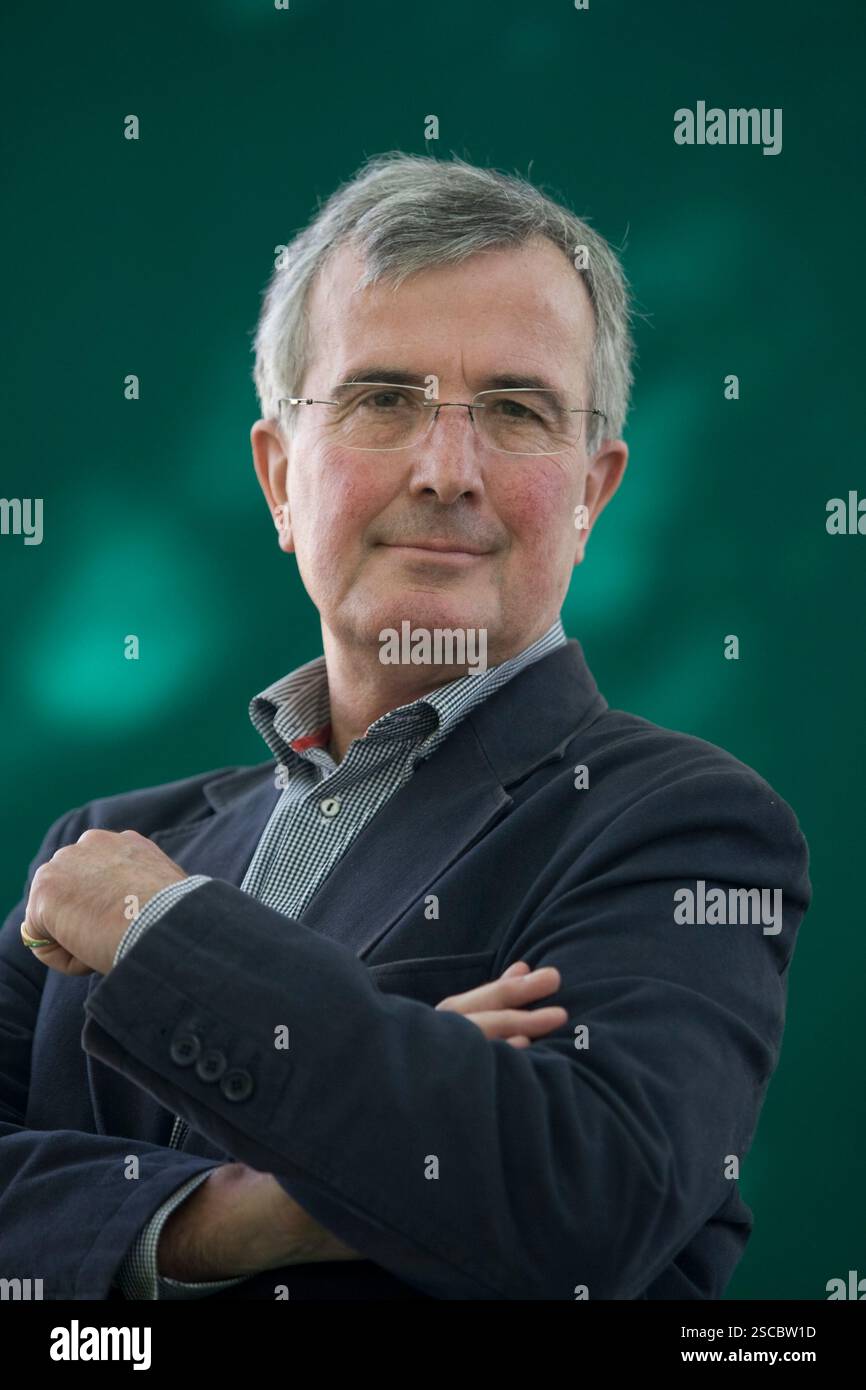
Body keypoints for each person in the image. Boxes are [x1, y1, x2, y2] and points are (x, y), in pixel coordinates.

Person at [0, 152, 810, 1301]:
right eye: (383, 399)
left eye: (515, 410)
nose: (445, 471)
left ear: (591, 493)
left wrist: (161, 931)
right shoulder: (101, 841)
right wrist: (256, 1214)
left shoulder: (688, 827)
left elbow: (579, 1199)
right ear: (279, 480)